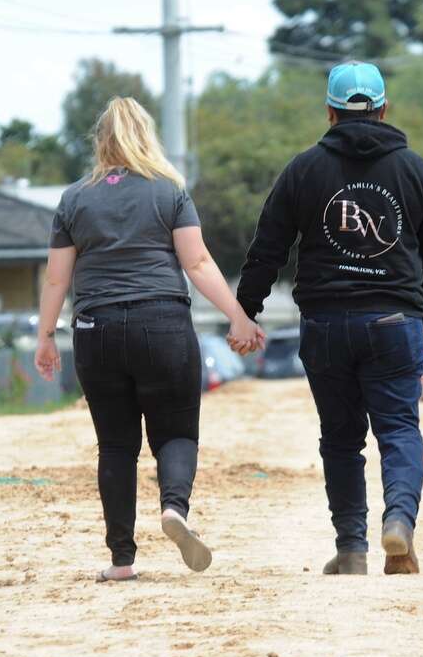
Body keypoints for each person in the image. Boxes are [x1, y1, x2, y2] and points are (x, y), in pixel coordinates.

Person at [35, 98, 265, 583]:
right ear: (147, 136)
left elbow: (57, 279)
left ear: (101, 141)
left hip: (95, 330)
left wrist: (45, 337)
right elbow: (198, 262)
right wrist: (239, 317)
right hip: (162, 323)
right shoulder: (170, 191)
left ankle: (122, 559)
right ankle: (174, 507)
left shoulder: (74, 198)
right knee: (176, 432)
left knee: (115, 445)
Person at [235, 61, 423, 576]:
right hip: (395, 320)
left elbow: (268, 248)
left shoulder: (304, 169)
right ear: (383, 108)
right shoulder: (415, 170)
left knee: (340, 438)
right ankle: (398, 521)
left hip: (327, 325)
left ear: (330, 110)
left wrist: (246, 311)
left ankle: (352, 548)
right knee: (398, 429)